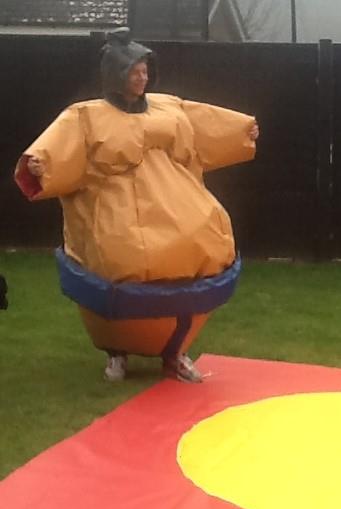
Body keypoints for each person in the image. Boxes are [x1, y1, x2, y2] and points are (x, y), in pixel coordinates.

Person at [14, 28, 259, 383]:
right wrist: (42, 164)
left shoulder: (167, 105)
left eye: (145, 70)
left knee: (208, 241)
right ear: (116, 75)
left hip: (179, 203)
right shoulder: (86, 116)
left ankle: (176, 350)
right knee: (119, 257)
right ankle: (117, 352)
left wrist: (240, 132)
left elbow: (203, 125)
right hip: (116, 212)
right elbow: (58, 150)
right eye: (134, 71)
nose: (142, 77)